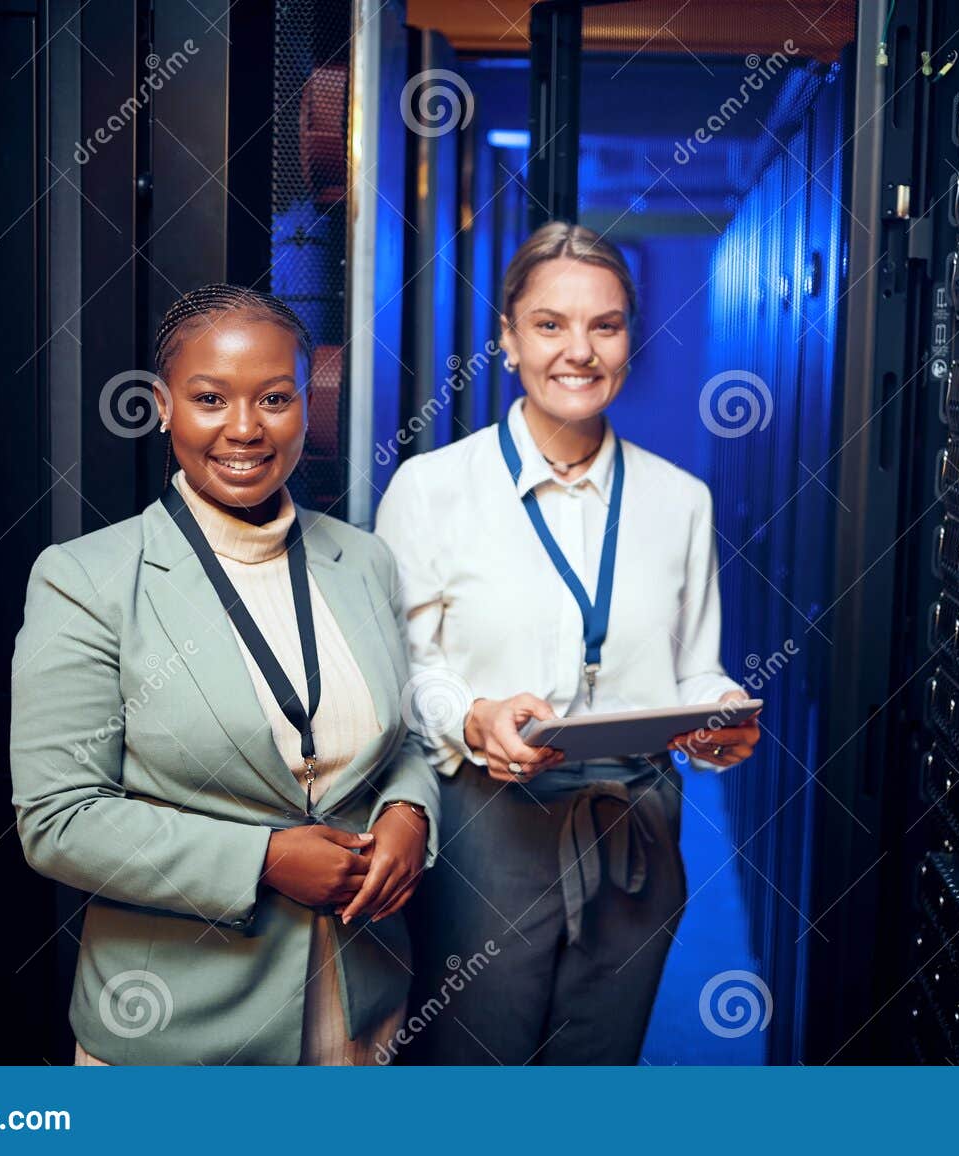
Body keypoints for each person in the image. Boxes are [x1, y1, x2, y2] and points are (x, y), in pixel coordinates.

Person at [9, 284, 438, 1065]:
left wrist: (411, 814)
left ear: (308, 406)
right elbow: (57, 821)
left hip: (359, 1010)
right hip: (177, 1032)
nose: (245, 428)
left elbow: (397, 739)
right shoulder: (85, 578)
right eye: (211, 398)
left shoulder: (364, 561)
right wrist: (267, 860)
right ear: (163, 406)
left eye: (276, 397)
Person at [374, 221, 759, 1064]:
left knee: (596, 1068)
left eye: (605, 325)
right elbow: (400, 673)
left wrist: (720, 713)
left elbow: (696, 665)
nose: (578, 350)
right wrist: (475, 718)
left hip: (638, 827)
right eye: (549, 324)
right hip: (487, 825)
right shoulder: (433, 489)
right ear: (507, 339)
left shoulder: (680, 500)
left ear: (630, 339)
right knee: (474, 1068)